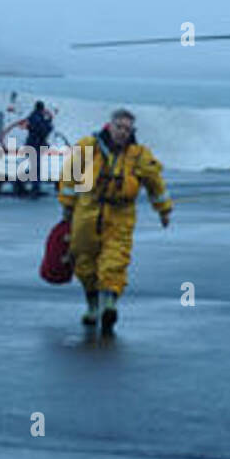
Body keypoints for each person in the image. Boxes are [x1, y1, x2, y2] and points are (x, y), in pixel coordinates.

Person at [59, 108, 172, 333]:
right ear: (109, 126)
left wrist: (163, 210)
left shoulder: (139, 155)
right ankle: (92, 305)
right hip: (86, 211)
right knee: (84, 262)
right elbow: (69, 179)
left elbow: (155, 183)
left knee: (115, 260)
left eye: (127, 129)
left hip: (120, 215)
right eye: (119, 127)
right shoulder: (87, 148)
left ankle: (109, 304)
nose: (122, 132)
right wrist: (67, 209)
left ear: (132, 131)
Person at [2, 100, 55, 196]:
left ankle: (20, 184)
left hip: (33, 144)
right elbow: (42, 130)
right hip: (35, 146)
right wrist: (49, 123)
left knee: (31, 167)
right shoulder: (37, 118)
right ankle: (32, 188)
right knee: (35, 168)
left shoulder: (33, 116)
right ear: (42, 108)